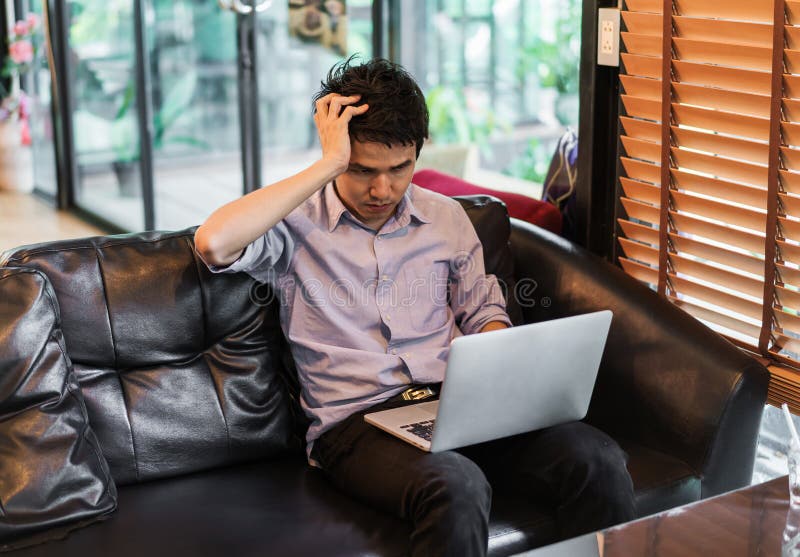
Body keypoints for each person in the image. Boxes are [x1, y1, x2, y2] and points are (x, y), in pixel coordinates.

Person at [194, 57, 635, 557]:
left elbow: (482, 310)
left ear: (418, 153)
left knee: (597, 459)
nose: (381, 190)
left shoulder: (445, 217)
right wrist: (327, 165)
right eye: (361, 170)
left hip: (459, 405)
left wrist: (498, 359)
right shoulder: (295, 224)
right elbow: (213, 244)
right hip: (357, 425)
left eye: (398, 169)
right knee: (456, 485)